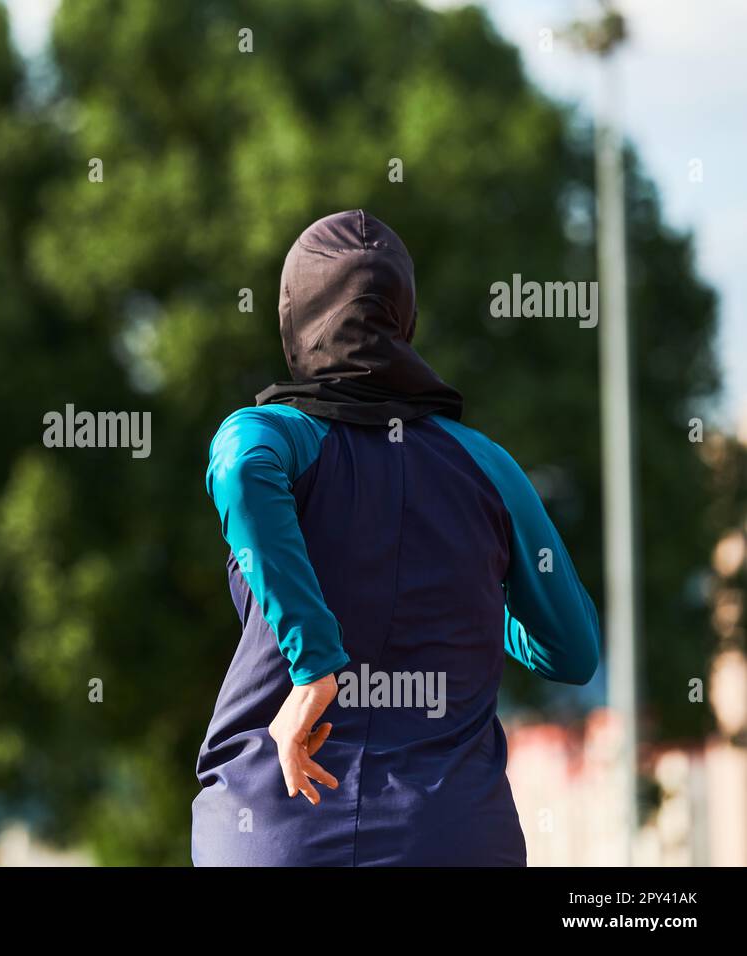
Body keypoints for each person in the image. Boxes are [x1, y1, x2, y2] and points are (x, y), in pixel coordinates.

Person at [191, 210, 600, 866]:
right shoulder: (487, 465)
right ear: (404, 320)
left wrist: (315, 666)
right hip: (452, 835)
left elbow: (241, 469)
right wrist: (468, 594)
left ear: (294, 314)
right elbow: (572, 651)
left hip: (273, 828)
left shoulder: (275, 436)